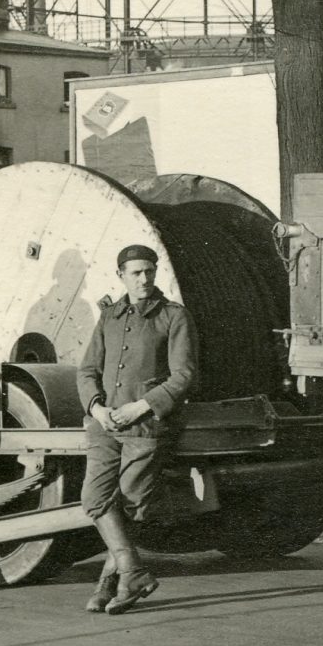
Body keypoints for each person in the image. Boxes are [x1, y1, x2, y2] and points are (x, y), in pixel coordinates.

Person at [76, 244, 197, 614]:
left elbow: (183, 375)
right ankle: (132, 572)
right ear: (121, 276)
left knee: (132, 503)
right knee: (95, 499)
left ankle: (111, 582)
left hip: (145, 426)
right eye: (136, 272)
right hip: (105, 427)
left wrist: (140, 407)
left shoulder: (173, 316)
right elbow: (87, 371)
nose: (144, 279)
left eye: (149, 271)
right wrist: (97, 408)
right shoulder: (109, 317)